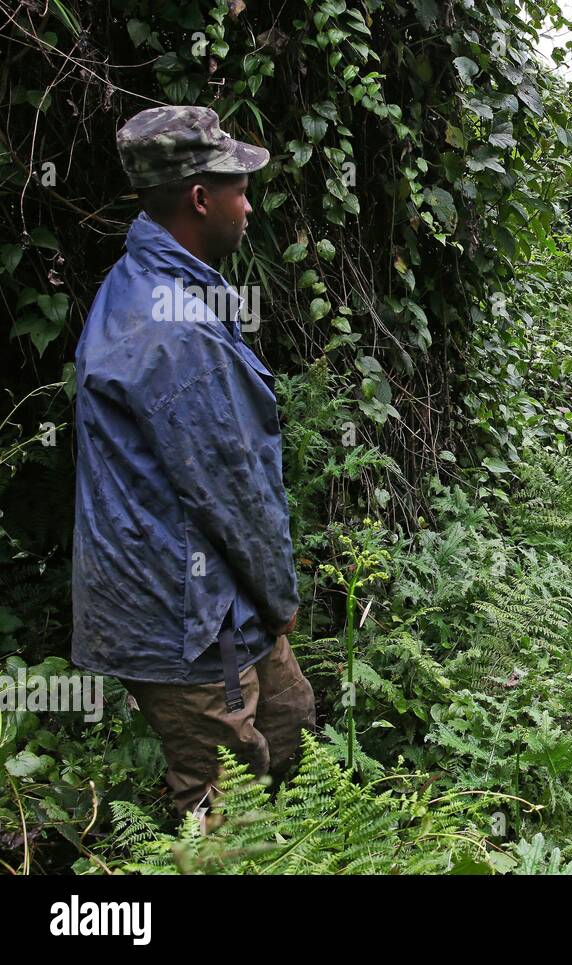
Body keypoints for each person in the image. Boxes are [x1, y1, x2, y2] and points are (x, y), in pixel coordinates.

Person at [71, 105, 314, 818]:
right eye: (237, 185)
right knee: (219, 806)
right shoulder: (174, 329)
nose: (248, 201)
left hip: (212, 588)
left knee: (293, 723)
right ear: (200, 200)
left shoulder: (151, 279)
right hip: (179, 607)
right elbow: (233, 489)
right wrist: (280, 599)